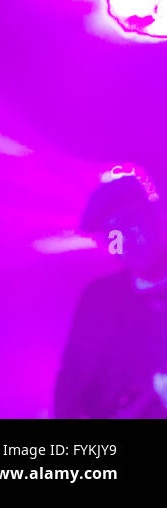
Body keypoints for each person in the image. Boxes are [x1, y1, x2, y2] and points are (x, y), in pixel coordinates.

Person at [54, 164, 167, 418]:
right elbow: (71, 380)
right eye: (110, 234)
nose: (123, 240)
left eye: (130, 222)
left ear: (156, 214)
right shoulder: (98, 299)